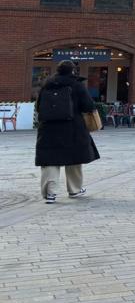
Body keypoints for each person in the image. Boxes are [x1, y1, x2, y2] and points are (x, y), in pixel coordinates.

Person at [35, 60, 99, 203]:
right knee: (74, 158)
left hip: (48, 128)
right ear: (73, 71)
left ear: (57, 70)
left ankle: (50, 193)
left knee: (50, 160)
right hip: (73, 127)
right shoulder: (77, 85)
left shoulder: (46, 85)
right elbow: (88, 106)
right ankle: (75, 190)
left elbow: (38, 107)